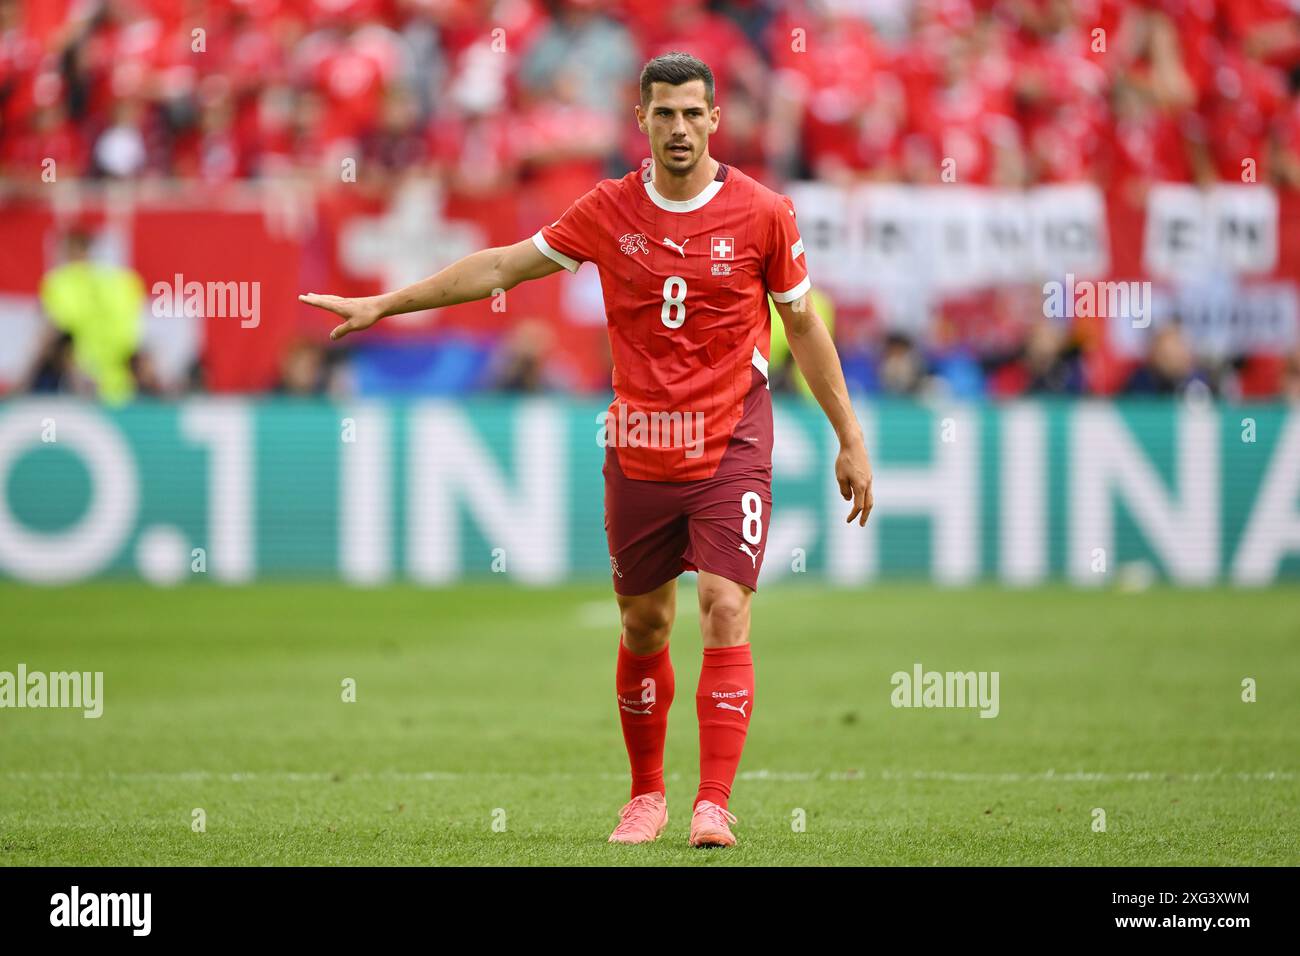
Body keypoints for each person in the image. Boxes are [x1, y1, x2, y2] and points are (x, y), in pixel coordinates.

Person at [299, 53, 874, 848]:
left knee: (725, 605)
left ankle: (714, 803)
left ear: (715, 120)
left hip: (733, 438)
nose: (679, 128)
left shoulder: (764, 213)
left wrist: (849, 436)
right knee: (644, 623)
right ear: (641, 120)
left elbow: (803, 328)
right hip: (638, 443)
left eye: (693, 114)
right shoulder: (608, 210)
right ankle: (646, 796)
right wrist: (385, 304)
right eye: (664, 113)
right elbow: (502, 266)